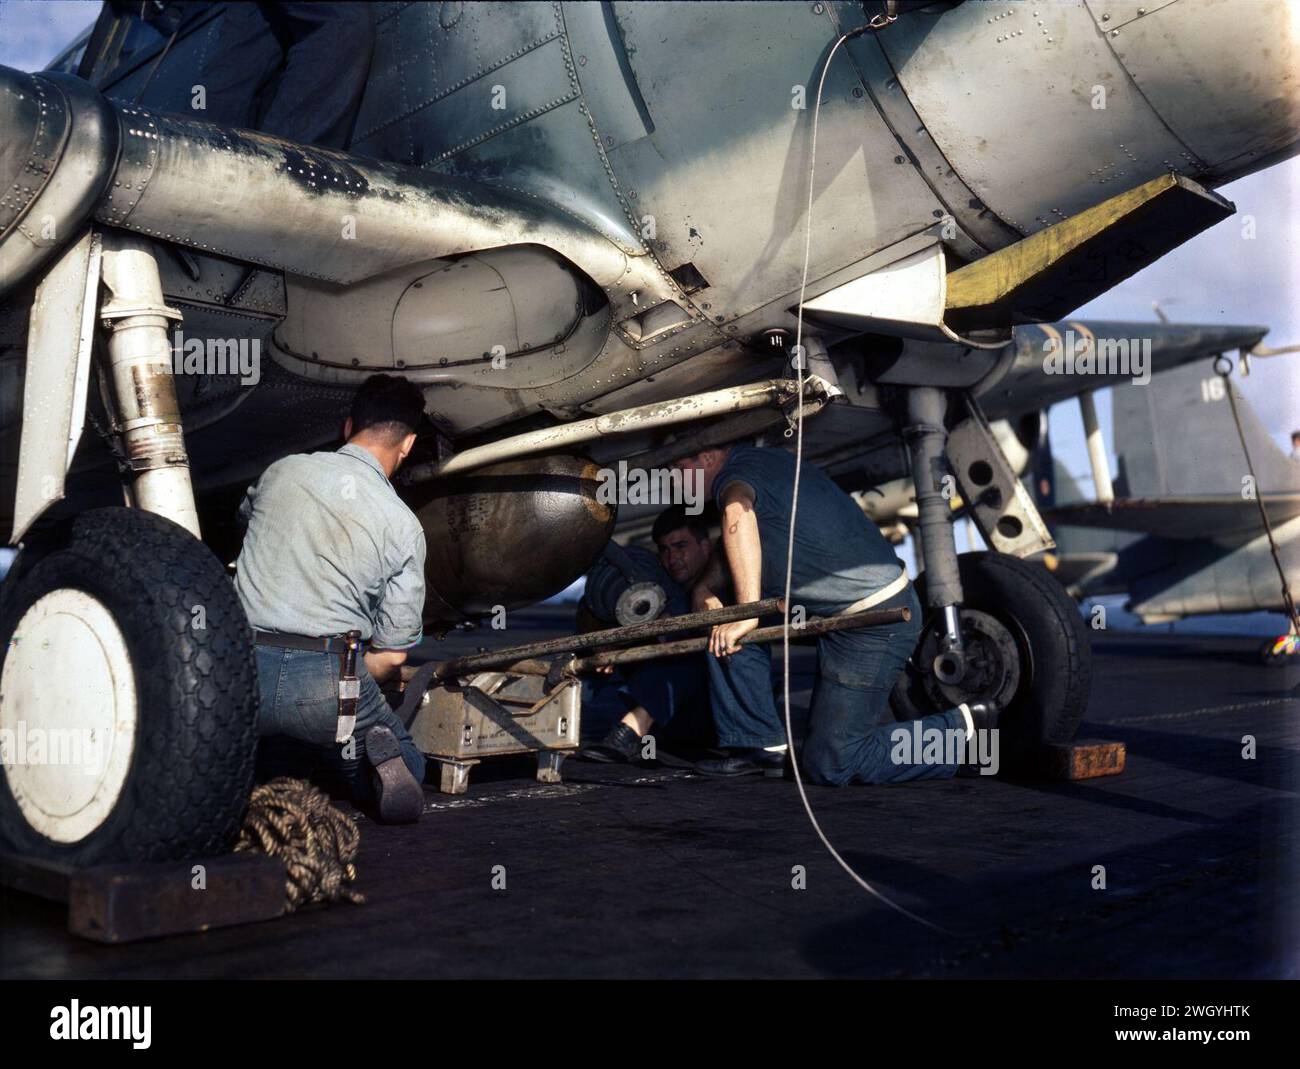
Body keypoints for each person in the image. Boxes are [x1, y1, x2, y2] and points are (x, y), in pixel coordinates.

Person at [672, 444, 996, 784]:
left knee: (832, 762)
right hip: (841, 616)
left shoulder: (733, 480)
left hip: (875, 621)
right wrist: (703, 591)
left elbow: (737, 513)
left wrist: (749, 614)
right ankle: (759, 746)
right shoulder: (761, 463)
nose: (677, 480)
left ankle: (961, 734)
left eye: (680, 468)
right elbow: (734, 548)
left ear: (707, 457)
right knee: (724, 622)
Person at [234, 374, 428, 822]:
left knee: (275, 758)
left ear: (347, 427)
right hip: (327, 678)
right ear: (408, 445)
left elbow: (246, 524)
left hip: (246, 668)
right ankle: (360, 764)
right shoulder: (403, 525)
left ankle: (268, 762)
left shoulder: (281, 471)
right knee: (399, 759)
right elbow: (394, 657)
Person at [579, 506, 721, 762]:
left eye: (681, 546)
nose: (672, 557)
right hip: (672, 719)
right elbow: (590, 605)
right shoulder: (661, 586)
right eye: (665, 549)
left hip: (714, 716)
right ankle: (561, 723)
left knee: (693, 651)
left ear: (705, 546)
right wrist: (605, 645)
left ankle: (631, 730)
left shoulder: (721, 589)